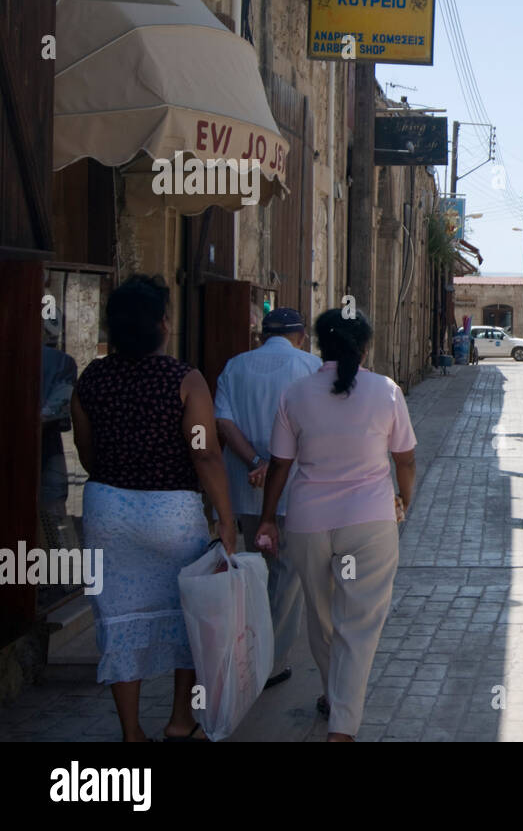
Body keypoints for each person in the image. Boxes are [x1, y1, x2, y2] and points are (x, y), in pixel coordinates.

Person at [70, 274, 238, 742]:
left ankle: (130, 732)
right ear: (163, 324)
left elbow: (86, 452)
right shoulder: (184, 380)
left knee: (117, 615)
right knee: (187, 611)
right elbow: (204, 453)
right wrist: (225, 519)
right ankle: (181, 720)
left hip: (107, 510)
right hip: (172, 512)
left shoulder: (91, 379)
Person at [256, 308, 417, 742]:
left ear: (317, 344)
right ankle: (342, 727)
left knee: (323, 619)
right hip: (369, 522)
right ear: (365, 347)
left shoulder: (296, 394)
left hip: (310, 523)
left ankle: (334, 696)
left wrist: (269, 518)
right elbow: (404, 459)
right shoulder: (385, 391)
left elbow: (279, 465)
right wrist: (404, 498)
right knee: (358, 625)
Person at [213, 307, 322, 690]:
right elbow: (315, 427)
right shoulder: (310, 367)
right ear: (301, 336)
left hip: (245, 487)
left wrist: (257, 462)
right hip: (292, 489)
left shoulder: (234, 366)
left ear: (262, 336)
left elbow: (223, 421)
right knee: (286, 575)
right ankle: (269, 662)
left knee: (255, 568)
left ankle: (248, 648)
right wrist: (274, 466)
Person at [40, 312, 79, 556]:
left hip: (45, 445)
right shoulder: (61, 363)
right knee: (53, 511)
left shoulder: (60, 362)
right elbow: (56, 411)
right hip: (46, 445)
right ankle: (63, 576)